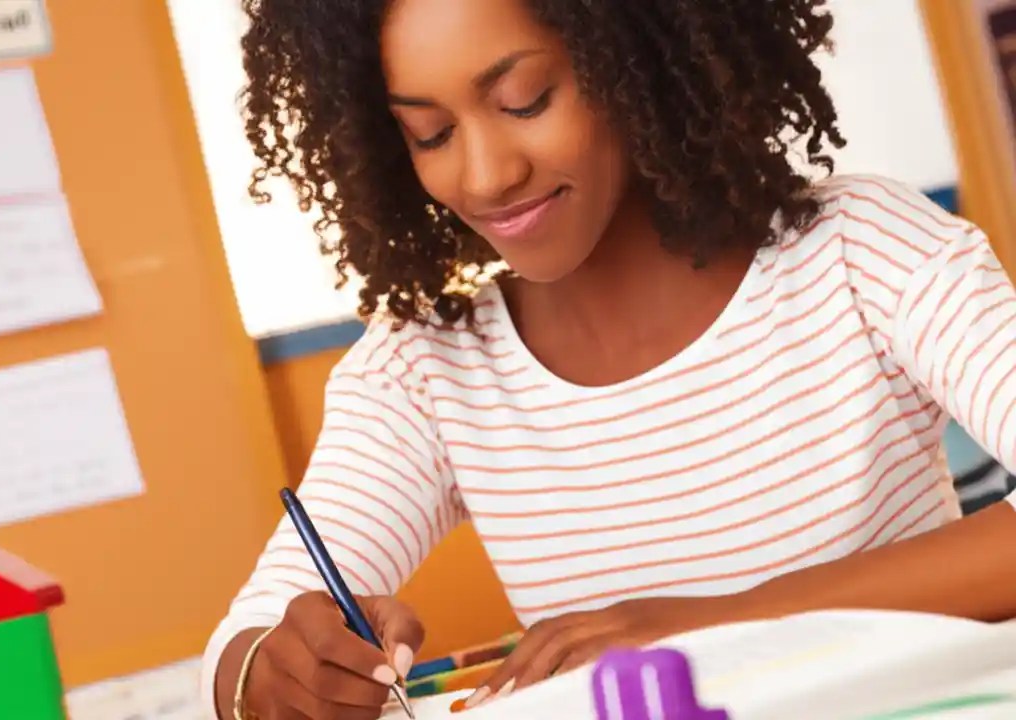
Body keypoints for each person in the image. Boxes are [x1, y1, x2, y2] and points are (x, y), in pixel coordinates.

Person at [202, 0, 1016, 717]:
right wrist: (270, 676)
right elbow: (245, 640)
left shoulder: (861, 252)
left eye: (525, 101)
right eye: (432, 134)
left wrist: (715, 624)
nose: (488, 175)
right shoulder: (425, 374)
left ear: (639, 51)